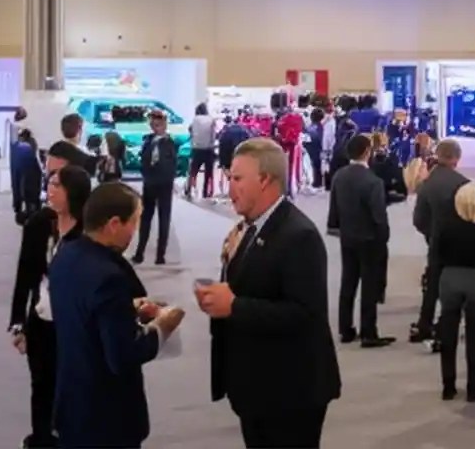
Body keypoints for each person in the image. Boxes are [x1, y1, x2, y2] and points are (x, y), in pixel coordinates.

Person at [197, 138, 341, 448]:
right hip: (257, 387)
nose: (229, 186)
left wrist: (234, 306)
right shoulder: (250, 227)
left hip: (290, 393)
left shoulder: (298, 236)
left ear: (265, 181)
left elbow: (305, 314)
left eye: (237, 178)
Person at [50, 182, 183, 449]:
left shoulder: (65, 256)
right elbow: (122, 356)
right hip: (107, 418)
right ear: (113, 224)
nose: (134, 231)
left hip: (72, 403)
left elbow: (84, 312)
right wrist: (162, 326)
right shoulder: (110, 277)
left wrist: (126, 308)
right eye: (133, 222)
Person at [9, 165, 92, 449]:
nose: (51, 190)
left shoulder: (87, 232)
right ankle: (42, 439)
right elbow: (24, 275)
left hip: (75, 327)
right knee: (41, 387)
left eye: (58, 185)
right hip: (41, 321)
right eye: (50, 183)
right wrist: (18, 321)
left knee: (71, 390)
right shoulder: (38, 224)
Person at [330, 134, 394, 347]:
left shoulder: (339, 176)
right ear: (367, 152)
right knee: (369, 284)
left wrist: (335, 226)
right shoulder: (373, 182)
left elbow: (334, 207)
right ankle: (368, 331)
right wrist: (384, 237)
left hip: (347, 236)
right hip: (370, 239)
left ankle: (345, 329)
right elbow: (378, 216)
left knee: (348, 281)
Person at [435, 183, 475, 402]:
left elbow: (436, 261)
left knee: (448, 334)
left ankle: (448, 386)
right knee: (474, 337)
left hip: (449, 279)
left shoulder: (444, 230)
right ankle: (473, 388)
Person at [410, 138, 469, 345]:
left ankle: (424, 323)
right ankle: (447, 326)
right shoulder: (463, 184)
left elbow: (418, 219)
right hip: (459, 245)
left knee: (432, 285)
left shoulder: (427, 184)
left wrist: (431, 234)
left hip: (436, 242)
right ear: (456, 159)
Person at [133, 109, 177, 265]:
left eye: (158, 123)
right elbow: (143, 160)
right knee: (145, 219)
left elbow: (171, 165)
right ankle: (140, 252)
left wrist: (169, 181)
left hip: (164, 186)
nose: (155, 126)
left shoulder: (169, 143)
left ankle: (160, 255)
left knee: (163, 220)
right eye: (153, 123)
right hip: (149, 185)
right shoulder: (148, 140)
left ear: (164, 124)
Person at [187, 103, 216, 200]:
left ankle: (189, 189)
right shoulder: (211, 120)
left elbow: (190, 130)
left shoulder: (195, 120)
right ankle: (206, 192)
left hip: (196, 149)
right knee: (208, 173)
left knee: (193, 171)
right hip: (208, 149)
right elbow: (213, 135)